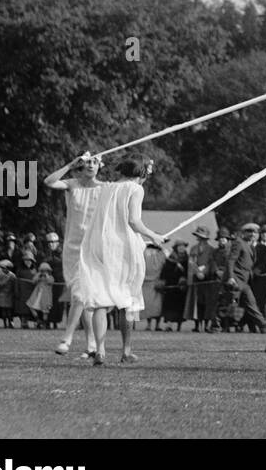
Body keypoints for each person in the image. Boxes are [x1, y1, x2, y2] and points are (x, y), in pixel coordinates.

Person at [72, 153, 168, 365]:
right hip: (123, 248)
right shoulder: (135, 189)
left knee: (100, 300)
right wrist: (154, 236)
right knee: (127, 300)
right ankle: (126, 351)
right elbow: (134, 221)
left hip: (99, 246)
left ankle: (100, 350)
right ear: (141, 172)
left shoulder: (107, 187)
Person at [43, 151, 104, 355]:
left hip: (94, 248)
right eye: (87, 161)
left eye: (95, 162)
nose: (90, 165)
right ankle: (91, 345)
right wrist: (69, 165)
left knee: (79, 294)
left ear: (99, 167)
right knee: (82, 296)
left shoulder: (105, 188)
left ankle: (66, 339)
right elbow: (49, 181)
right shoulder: (72, 184)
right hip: (72, 249)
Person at [185, 226, 218, 332]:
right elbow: (191, 262)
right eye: (198, 236)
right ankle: (197, 324)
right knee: (196, 302)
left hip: (207, 279)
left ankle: (207, 324)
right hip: (196, 278)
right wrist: (197, 272)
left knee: (207, 301)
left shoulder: (212, 250)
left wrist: (204, 272)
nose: (199, 238)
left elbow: (211, 263)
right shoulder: (193, 248)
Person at [159, 242, 188, 329]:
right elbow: (165, 270)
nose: (181, 248)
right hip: (170, 286)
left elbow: (188, 271)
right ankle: (169, 324)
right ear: (176, 247)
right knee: (169, 307)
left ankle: (179, 325)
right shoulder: (170, 259)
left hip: (181, 287)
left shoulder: (187, 259)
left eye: (183, 246)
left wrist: (184, 278)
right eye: (180, 246)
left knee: (180, 307)